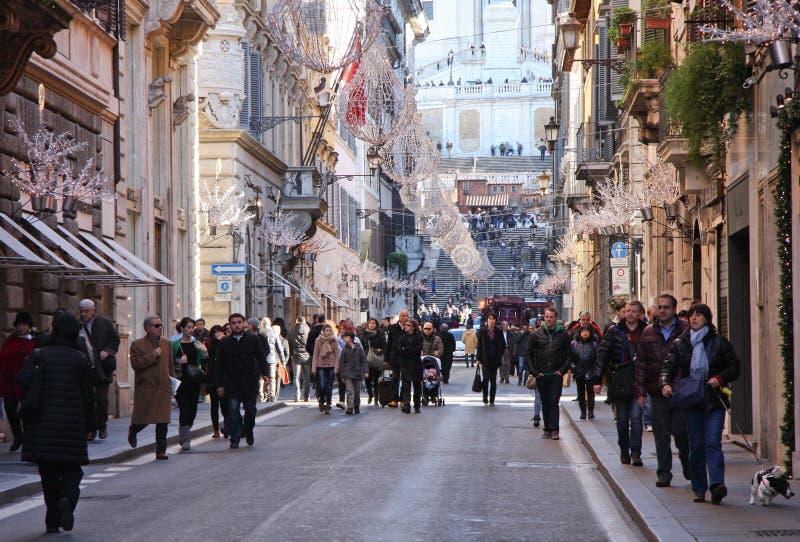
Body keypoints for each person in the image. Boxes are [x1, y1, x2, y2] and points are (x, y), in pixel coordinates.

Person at [18, 312, 93, 534]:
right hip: (72, 425)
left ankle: (52, 521)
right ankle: (68, 500)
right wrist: (91, 425)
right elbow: (88, 396)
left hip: (42, 425)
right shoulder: (80, 359)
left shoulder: (40, 354)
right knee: (72, 469)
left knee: (48, 472)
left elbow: (22, 380)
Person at [661, 304, 740, 504]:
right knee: (696, 445)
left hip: (714, 400)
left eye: (698, 315)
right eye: (691, 315)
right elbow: (668, 366)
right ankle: (699, 488)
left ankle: (716, 485)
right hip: (692, 401)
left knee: (713, 442)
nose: (694, 318)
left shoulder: (719, 342)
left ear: (707, 318)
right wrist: (665, 384)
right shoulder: (681, 343)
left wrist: (720, 378)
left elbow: (734, 366)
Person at [635, 293, 689, 488]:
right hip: (656, 391)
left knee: (682, 433)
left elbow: (688, 362)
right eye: (660, 307)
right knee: (661, 434)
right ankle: (664, 473)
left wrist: (675, 384)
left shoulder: (686, 330)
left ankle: (686, 460)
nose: (662, 310)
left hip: (680, 392)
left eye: (666, 307)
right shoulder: (648, 332)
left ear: (674, 309)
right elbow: (641, 363)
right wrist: (640, 391)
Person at [596, 300, 648, 465]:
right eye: (628, 311)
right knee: (623, 419)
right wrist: (597, 380)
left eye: (634, 311)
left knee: (636, 417)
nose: (630, 314)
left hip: (639, 380)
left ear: (640, 314)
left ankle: (636, 452)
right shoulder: (614, 331)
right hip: (619, 380)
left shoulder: (647, 332)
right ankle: (624, 450)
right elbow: (603, 355)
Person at [217, 314, 268, 449]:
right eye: (233, 323)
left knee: (250, 410)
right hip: (231, 383)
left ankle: (248, 430)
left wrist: (266, 374)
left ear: (244, 323)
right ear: (230, 325)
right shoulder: (224, 343)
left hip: (249, 382)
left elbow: (261, 357)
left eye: (239, 322)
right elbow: (220, 365)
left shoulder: (253, 339)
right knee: (233, 411)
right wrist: (220, 384)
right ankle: (235, 438)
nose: (237, 325)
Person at [128, 315, 174, 460]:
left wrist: (172, 382)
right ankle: (133, 430)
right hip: (146, 388)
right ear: (148, 328)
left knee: (162, 422)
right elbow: (136, 365)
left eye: (161, 325)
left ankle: (161, 450)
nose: (160, 328)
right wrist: (152, 355)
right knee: (144, 418)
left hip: (163, 388)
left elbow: (170, 365)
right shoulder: (137, 344)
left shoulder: (166, 343)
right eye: (156, 325)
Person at [78, 299, 120, 441]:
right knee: (87, 401)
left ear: (93, 310)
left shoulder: (104, 322)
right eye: (81, 311)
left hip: (102, 368)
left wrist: (107, 351)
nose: (83, 314)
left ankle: (102, 426)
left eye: (86, 311)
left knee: (101, 399)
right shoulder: (78, 326)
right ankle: (90, 429)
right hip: (86, 369)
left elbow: (115, 340)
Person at [526, 307, 571, 439]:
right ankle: (547, 428)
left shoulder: (563, 335)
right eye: (547, 317)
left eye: (551, 317)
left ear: (555, 318)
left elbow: (569, 355)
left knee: (553, 401)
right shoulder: (536, 335)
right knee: (545, 402)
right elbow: (528, 354)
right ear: (543, 318)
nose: (549, 319)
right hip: (542, 374)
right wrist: (534, 372)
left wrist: (562, 371)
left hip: (556, 375)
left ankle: (555, 430)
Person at [0, 311, 36, 451]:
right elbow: (3, 359)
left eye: (24, 325)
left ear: (29, 326)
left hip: (28, 383)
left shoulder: (35, 340)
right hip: (11, 383)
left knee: (27, 411)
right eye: (19, 325)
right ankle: (18, 436)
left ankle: (28, 439)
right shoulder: (10, 340)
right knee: (10, 410)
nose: (21, 328)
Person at [172, 317, 208, 451]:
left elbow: (204, 363)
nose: (191, 329)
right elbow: (168, 362)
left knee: (192, 411)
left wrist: (205, 353)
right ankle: (185, 439)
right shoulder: (174, 344)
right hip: (180, 382)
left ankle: (185, 430)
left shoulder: (197, 343)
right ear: (182, 328)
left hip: (194, 382)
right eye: (188, 327)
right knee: (185, 409)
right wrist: (178, 361)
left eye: (192, 327)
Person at [476, 313, 506, 406]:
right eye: (489, 319)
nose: (491, 320)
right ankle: (485, 397)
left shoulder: (499, 331)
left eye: (493, 319)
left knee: (493, 380)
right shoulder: (482, 331)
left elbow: (503, 345)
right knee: (485, 379)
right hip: (485, 359)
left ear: (495, 320)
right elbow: (479, 346)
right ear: (487, 320)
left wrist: (499, 355)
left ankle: (492, 399)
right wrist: (478, 358)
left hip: (495, 359)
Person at [570, 326, 598, 420]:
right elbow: (570, 358)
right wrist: (574, 368)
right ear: (580, 333)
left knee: (590, 392)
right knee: (581, 393)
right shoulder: (575, 344)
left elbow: (598, 357)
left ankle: (590, 411)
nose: (585, 333)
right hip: (579, 371)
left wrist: (596, 369)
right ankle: (583, 412)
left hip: (591, 371)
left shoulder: (594, 343)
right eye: (583, 331)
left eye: (587, 331)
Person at [204, 325, 226, 438]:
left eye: (220, 331)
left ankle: (227, 427)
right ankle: (216, 430)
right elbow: (212, 354)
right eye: (216, 332)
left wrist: (222, 341)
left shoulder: (226, 343)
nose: (218, 334)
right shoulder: (210, 345)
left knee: (224, 405)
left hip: (223, 379)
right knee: (214, 405)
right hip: (212, 378)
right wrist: (217, 342)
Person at [338, 330, 368, 415]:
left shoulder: (359, 348)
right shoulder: (344, 349)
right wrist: (342, 375)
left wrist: (366, 371)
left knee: (357, 392)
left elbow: (364, 360)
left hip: (357, 373)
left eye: (346, 337)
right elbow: (342, 362)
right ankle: (350, 407)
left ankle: (356, 406)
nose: (344, 339)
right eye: (344, 337)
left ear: (351, 338)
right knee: (350, 391)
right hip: (348, 373)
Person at [311, 324, 339, 414]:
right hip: (321, 365)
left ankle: (328, 404)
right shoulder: (318, 340)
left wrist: (336, 367)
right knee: (322, 385)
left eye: (330, 331)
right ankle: (321, 400)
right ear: (323, 331)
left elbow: (337, 355)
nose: (328, 332)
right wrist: (314, 368)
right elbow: (315, 354)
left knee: (329, 386)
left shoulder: (334, 340)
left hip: (331, 365)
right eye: (327, 331)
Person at [385, 310, 410, 408]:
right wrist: (386, 358)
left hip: (406, 357)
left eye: (407, 316)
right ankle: (394, 399)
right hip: (395, 356)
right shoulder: (393, 328)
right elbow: (389, 343)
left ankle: (403, 399)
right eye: (404, 316)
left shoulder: (410, 327)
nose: (406, 318)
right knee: (395, 378)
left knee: (405, 378)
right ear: (399, 317)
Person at [398, 318, 423, 414]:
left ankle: (417, 405)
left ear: (413, 327)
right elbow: (400, 350)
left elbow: (418, 349)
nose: (406, 326)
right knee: (406, 386)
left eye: (408, 325)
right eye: (406, 325)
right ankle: (407, 405)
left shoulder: (419, 337)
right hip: (406, 364)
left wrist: (407, 349)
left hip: (416, 364)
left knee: (417, 386)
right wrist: (408, 350)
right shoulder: (402, 338)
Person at [360, 318, 385, 405]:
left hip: (377, 356)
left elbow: (383, 344)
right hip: (367, 357)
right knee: (367, 378)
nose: (371, 324)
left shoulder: (380, 334)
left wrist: (380, 350)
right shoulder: (364, 334)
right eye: (370, 323)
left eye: (373, 323)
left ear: (376, 325)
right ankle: (370, 394)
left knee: (377, 378)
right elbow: (362, 344)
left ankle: (376, 399)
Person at [288, 317, 311, 402]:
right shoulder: (308, 330)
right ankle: (306, 396)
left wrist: (291, 354)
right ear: (304, 321)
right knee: (307, 377)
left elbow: (289, 343)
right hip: (306, 355)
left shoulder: (292, 330)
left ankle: (296, 396)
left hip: (296, 355)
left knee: (296, 377)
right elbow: (310, 342)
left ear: (296, 321)